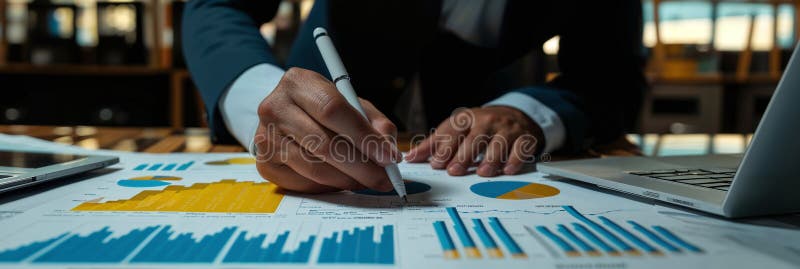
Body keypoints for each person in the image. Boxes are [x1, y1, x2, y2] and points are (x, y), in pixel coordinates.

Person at [183, 0, 646, 193]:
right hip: (312, 111)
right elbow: (218, 6)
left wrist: (528, 111)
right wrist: (267, 104)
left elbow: (609, 78)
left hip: (474, 140)